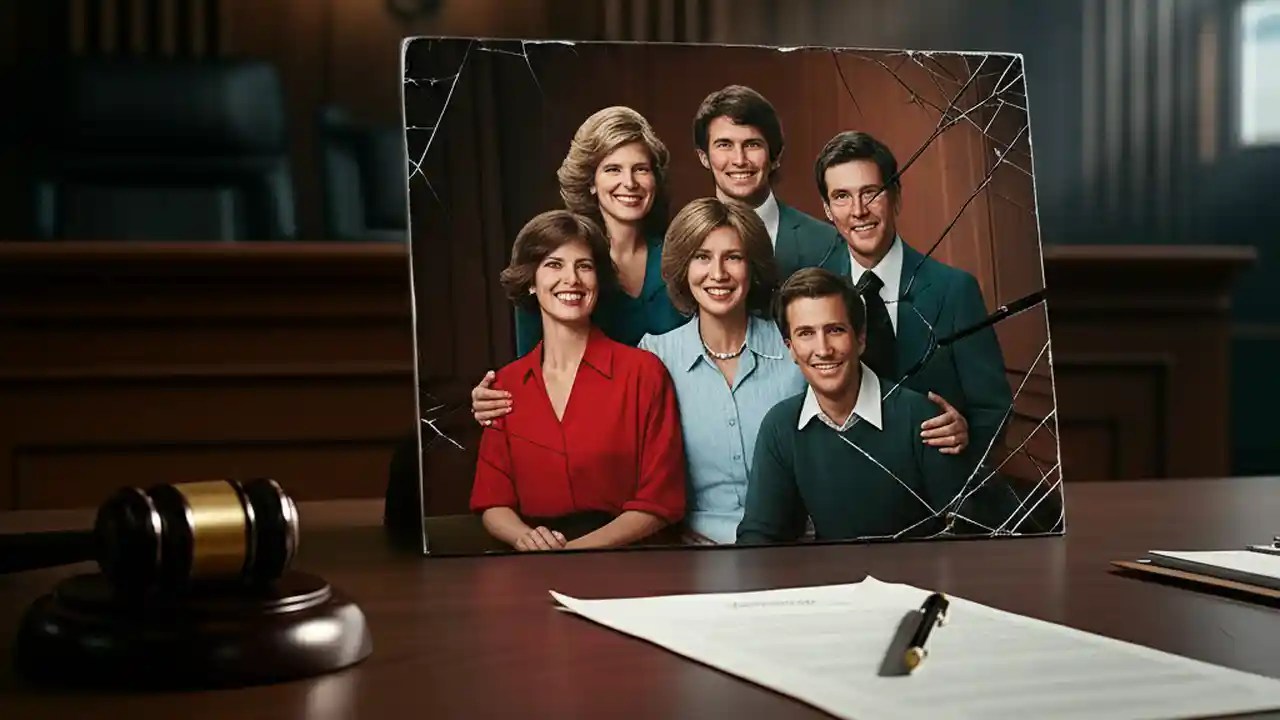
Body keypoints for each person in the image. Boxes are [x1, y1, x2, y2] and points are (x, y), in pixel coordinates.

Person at [469, 209, 687, 551]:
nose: (571, 279)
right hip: (533, 561)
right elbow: (492, 500)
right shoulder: (504, 385)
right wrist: (526, 539)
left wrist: (575, 552)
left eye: (583, 266)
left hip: (628, 559)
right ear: (530, 280)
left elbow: (661, 500)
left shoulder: (644, 373)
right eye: (554, 265)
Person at [471, 105, 686, 424]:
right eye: (613, 169)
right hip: (591, 427)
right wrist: (494, 398)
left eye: (641, 169)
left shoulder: (683, 257)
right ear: (590, 183)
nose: (630, 182)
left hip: (677, 424)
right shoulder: (558, 271)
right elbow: (533, 370)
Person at [813, 130, 1013, 470]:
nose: (858, 210)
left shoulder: (954, 289)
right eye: (842, 197)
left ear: (895, 197)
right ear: (828, 210)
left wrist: (966, 434)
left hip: (938, 492)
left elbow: (993, 409)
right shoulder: (813, 294)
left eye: (870, 193)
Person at [735, 268, 968, 544]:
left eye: (835, 330)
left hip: (916, 582)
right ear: (791, 348)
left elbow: (969, 530)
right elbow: (760, 536)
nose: (823, 349)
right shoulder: (781, 425)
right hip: (830, 583)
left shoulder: (921, 418)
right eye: (806, 333)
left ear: (860, 339)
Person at [636, 197, 805, 544]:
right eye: (702, 257)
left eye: (733, 257)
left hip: (795, 550)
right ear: (683, 266)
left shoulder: (798, 347)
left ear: (752, 266)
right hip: (693, 557)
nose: (718, 274)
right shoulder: (654, 356)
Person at [691, 85, 845, 280]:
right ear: (703, 157)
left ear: (776, 156)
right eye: (725, 145)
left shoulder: (825, 242)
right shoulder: (685, 242)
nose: (739, 160)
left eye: (752, 144)